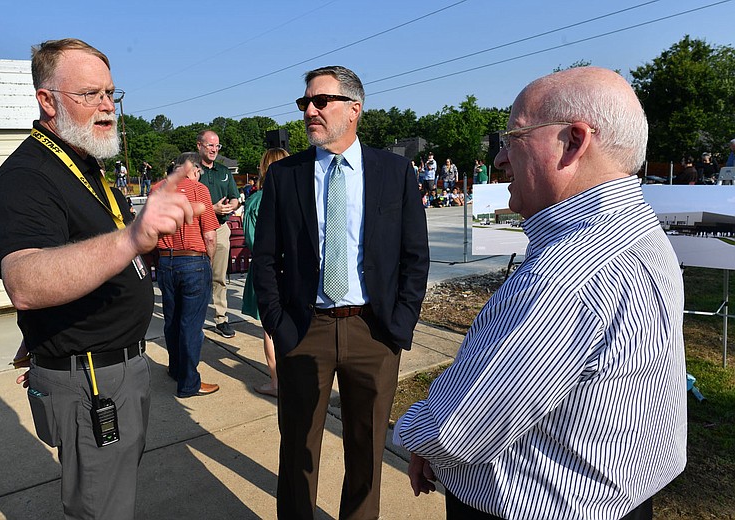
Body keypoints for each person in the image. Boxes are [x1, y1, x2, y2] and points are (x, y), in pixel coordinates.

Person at [394, 67, 687, 520]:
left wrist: (417, 438)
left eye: (514, 137)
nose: (499, 159)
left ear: (573, 141)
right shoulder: (637, 229)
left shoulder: (572, 269)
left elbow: (461, 427)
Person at [0, 38, 202, 519]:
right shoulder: (27, 175)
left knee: (113, 494)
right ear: (47, 101)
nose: (107, 106)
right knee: (102, 509)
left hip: (114, 368)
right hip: (91, 380)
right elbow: (23, 279)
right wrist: (132, 239)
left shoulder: (87, 164)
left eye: (110, 93)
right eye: (90, 94)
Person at [251, 65, 429, 519]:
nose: (309, 110)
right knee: (298, 452)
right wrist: (280, 326)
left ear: (354, 109)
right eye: (304, 102)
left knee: (367, 453)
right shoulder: (285, 176)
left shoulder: (394, 172)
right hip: (304, 330)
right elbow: (266, 260)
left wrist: (399, 326)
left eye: (320, 101)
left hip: (373, 331)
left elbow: (415, 256)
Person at [155, 152, 220, 398]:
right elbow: (210, 235)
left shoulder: (156, 190)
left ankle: (176, 369)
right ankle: (189, 382)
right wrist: (208, 261)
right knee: (191, 325)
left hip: (165, 260)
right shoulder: (198, 189)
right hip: (193, 259)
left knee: (172, 319)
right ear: (192, 169)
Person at [241, 147, 289, 398]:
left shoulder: (256, 201)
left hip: (269, 271)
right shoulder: (299, 198)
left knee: (270, 328)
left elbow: (252, 241)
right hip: (295, 271)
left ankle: (276, 381)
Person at [196, 130, 240, 339]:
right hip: (196, 229)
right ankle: (194, 318)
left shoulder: (224, 171)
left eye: (217, 146)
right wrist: (210, 208)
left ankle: (221, 318)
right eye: (210, 145)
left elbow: (235, 198)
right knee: (196, 276)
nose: (214, 150)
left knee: (219, 277)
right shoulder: (192, 171)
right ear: (199, 146)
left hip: (220, 228)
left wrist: (229, 207)